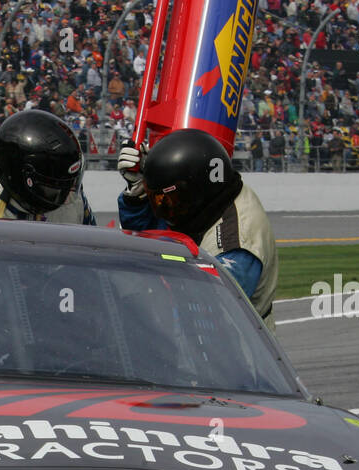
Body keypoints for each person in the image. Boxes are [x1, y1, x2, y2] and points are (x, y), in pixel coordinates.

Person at [117, 128, 278, 327]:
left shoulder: (235, 246)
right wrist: (138, 195)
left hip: (236, 347)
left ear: (196, 192)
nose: (162, 208)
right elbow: (147, 239)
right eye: (157, 200)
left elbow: (203, 307)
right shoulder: (215, 198)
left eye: (168, 200)